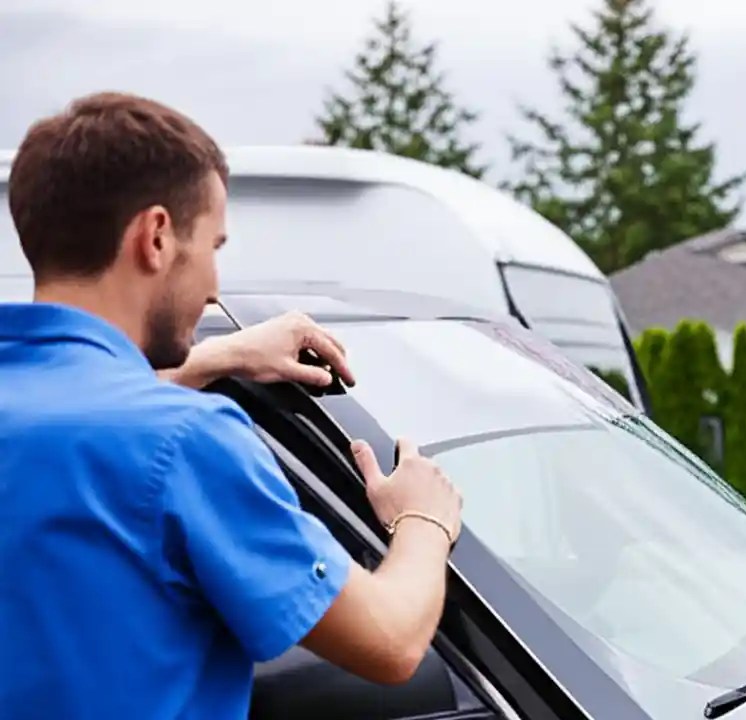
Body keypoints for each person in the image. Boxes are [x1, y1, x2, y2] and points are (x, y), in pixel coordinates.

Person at [0, 92, 463, 719]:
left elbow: (74, 414)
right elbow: (391, 641)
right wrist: (424, 522)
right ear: (157, 237)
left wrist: (216, 358)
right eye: (213, 245)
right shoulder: (187, 440)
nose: (216, 287)